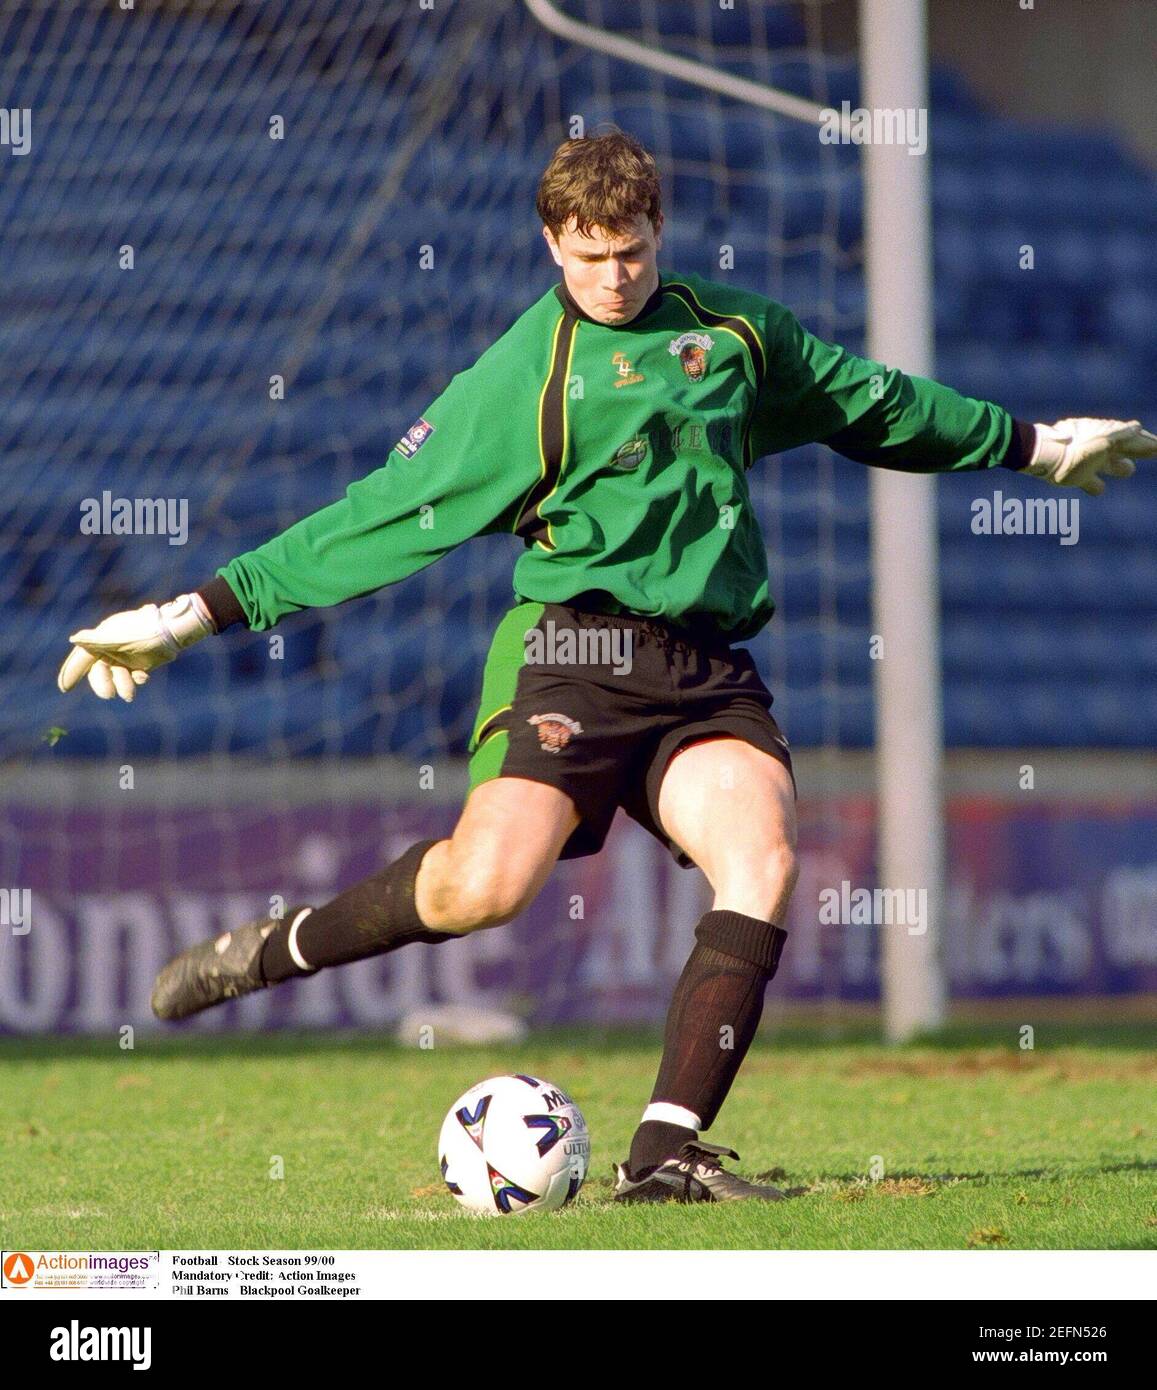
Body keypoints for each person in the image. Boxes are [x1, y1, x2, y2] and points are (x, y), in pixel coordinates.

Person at [57, 129, 1155, 1204]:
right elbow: (375, 519)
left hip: (707, 667)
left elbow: (869, 403)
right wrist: (188, 616)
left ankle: (664, 1151)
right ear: (552, 247)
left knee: (762, 860)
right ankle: (276, 948)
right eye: (589, 255)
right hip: (573, 653)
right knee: (480, 887)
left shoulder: (733, 336)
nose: (614, 275)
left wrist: (1036, 445)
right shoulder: (520, 381)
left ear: (656, 231)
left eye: (629, 249)